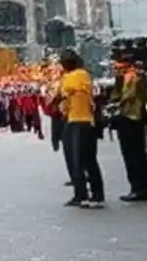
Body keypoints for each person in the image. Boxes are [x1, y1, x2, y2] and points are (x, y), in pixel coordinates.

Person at [55, 50, 104, 209]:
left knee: (77, 161)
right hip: (83, 120)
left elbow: (60, 93)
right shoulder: (85, 74)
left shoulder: (72, 77)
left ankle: (81, 194)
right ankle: (97, 194)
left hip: (77, 121)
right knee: (89, 160)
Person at [111, 60, 147, 202]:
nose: (116, 68)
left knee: (133, 155)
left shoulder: (132, 77)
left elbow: (125, 96)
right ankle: (143, 188)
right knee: (138, 154)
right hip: (134, 118)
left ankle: (138, 188)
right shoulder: (139, 76)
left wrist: (114, 100)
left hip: (131, 118)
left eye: (118, 65)